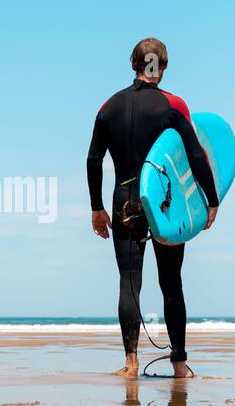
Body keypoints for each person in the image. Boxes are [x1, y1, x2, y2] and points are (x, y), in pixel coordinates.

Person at [86, 38, 218, 377]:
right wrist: (210, 199)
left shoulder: (109, 107)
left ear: (133, 64)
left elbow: (94, 159)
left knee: (129, 281)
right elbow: (195, 154)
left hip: (124, 201)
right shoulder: (173, 105)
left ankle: (130, 363)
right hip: (165, 202)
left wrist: (97, 207)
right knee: (171, 282)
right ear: (163, 66)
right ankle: (179, 364)